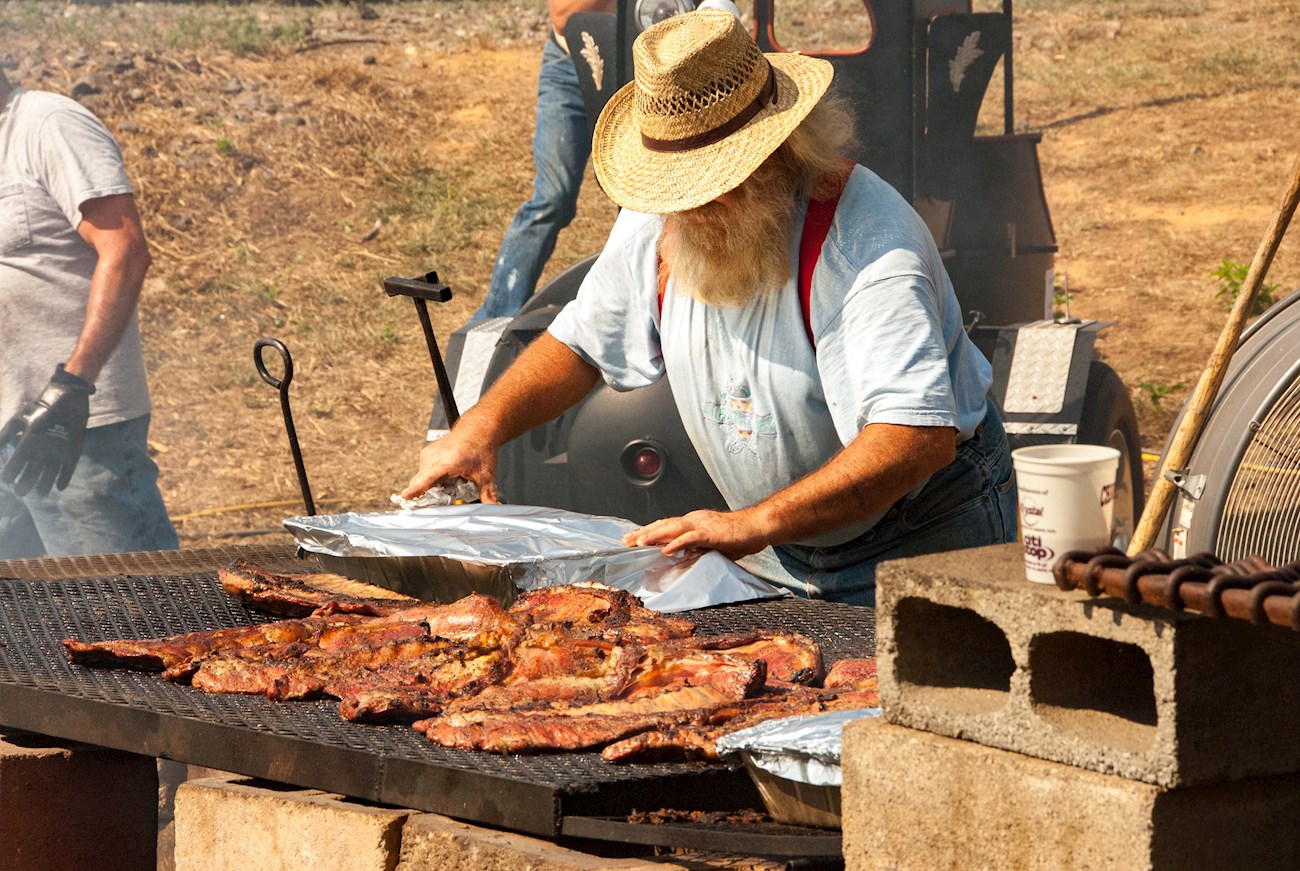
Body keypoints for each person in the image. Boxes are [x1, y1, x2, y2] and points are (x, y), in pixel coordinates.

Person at [405, 9, 1016, 605]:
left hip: (923, 534)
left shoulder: (868, 248)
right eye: (676, 188)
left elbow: (914, 438)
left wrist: (752, 524)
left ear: (778, 155)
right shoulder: (665, 213)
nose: (685, 209)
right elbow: (582, 343)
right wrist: (481, 428)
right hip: (782, 538)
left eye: (708, 186)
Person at [0, 69, 178, 560]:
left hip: (73, 429)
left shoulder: (48, 124)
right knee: (22, 623)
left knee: (127, 609)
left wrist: (72, 387)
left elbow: (124, 250)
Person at [471, 0, 616, 320]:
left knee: (648, 204)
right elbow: (564, 16)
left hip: (644, 62)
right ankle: (495, 320)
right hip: (571, 63)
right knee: (553, 198)